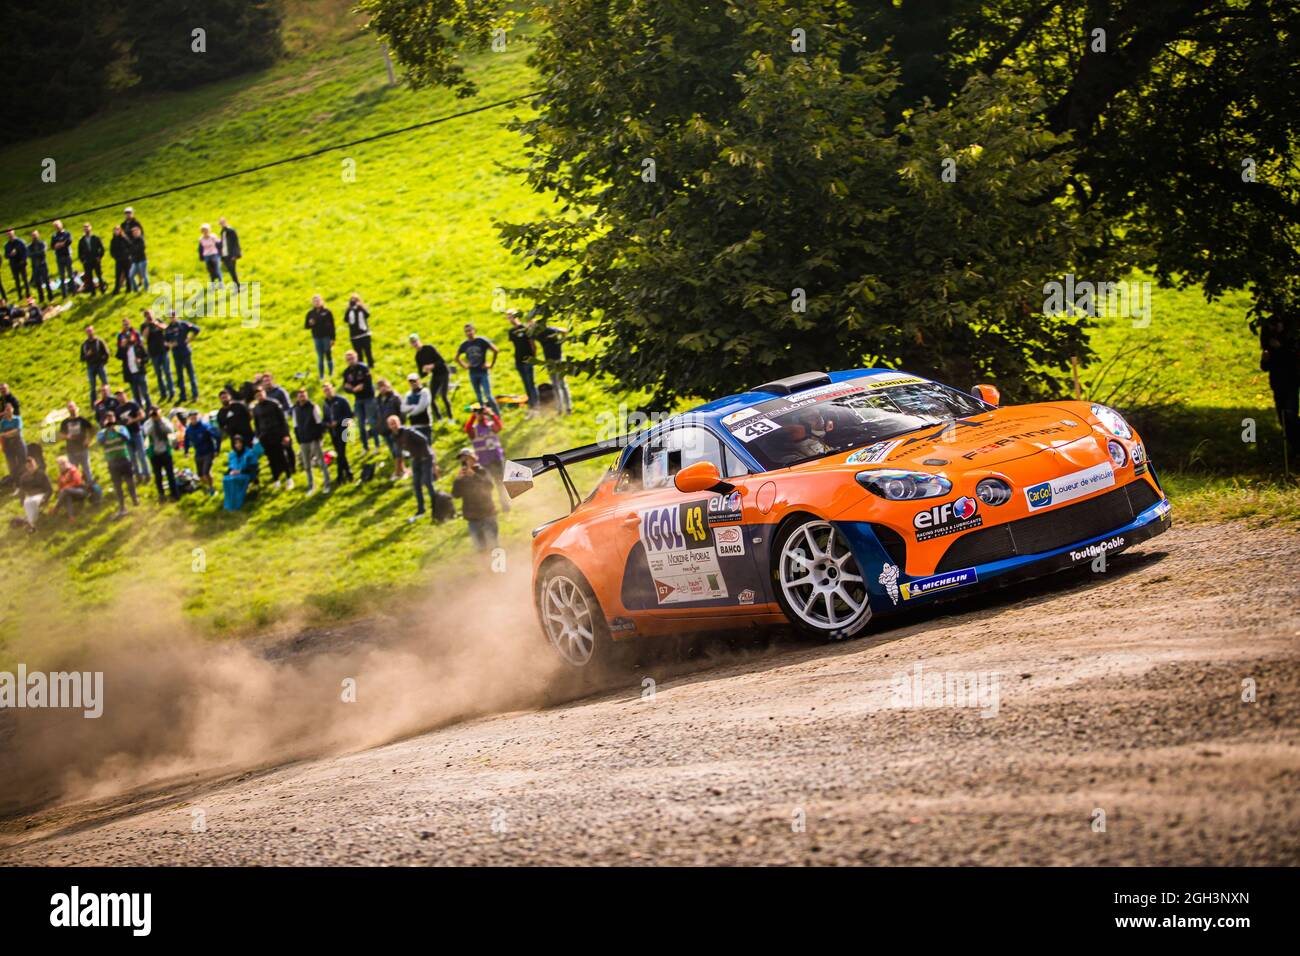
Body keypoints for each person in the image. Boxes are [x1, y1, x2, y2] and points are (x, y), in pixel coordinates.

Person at [386, 414, 438, 523]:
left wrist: (424, 455)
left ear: (399, 423)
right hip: (415, 459)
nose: (393, 425)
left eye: (394, 423)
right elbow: (401, 451)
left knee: (428, 482)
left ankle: (436, 507)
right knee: (416, 485)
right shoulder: (394, 437)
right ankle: (421, 510)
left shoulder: (408, 431)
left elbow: (424, 439)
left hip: (425, 457)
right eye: (391, 424)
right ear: (389, 426)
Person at [463, 404, 510, 511]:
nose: (481, 415)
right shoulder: (474, 429)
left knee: (500, 483)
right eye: (479, 413)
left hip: (496, 458)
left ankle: (505, 505)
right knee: (486, 485)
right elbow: (467, 429)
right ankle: (490, 507)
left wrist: (491, 414)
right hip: (484, 462)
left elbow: (500, 426)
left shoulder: (490, 425)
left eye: (481, 413)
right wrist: (473, 416)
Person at [451, 448, 499, 552]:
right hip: (472, 518)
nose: (464, 462)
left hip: (487, 514)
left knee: (494, 547)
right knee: (480, 549)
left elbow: (489, 486)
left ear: (473, 459)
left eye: (466, 459)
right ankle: (483, 562)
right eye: (462, 460)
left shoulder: (482, 471)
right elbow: (455, 495)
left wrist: (474, 475)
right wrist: (457, 480)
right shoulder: (461, 477)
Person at [96, 411, 138, 518]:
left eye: (111, 418)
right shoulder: (101, 433)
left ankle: (134, 498)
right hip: (112, 461)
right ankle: (122, 506)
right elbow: (100, 443)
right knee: (117, 484)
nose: (110, 420)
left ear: (114, 418)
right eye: (107, 418)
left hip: (124, 458)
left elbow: (126, 439)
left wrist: (116, 430)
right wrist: (107, 430)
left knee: (129, 479)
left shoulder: (121, 428)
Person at [252, 386, 295, 489]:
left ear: (264, 393)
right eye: (257, 395)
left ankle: (289, 478)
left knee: (282, 457)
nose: (260, 397)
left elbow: (283, 420)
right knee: (271, 460)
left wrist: (285, 435)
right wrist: (258, 436)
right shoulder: (256, 409)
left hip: (277, 435)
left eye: (261, 394)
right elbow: (256, 424)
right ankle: (276, 479)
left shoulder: (274, 403)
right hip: (265, 438)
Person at [291, 389, 331, 495]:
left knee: (321, 462)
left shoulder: (313, 407)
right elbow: (295, 426)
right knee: (307, 465)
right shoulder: (295, 409)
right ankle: (311, 486)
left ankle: (327, 484)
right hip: (303, 440)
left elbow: (319, 423)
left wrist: (319, 438)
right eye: (300, 396)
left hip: (314, 439)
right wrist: (299, 439)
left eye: (304, 395)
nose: (302, 397)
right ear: (297, 397)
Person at [532, 313, 573, 414]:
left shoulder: (542, 333)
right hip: (554, 359)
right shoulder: (550, 330)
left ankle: (564, 408)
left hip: (554, 360)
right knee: (560, 384)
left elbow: (530, 335)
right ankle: (564, 408)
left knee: (558, 385)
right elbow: (565, 331)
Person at [454, 324, 500, 414]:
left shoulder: (481, 341)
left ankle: (497, 416)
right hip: (472, 373)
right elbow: (456, 358)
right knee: (479, 397)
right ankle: (483, 417)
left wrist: (491, 364)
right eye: (466, 331)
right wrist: (465, 366)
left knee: (488, 395)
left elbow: (495, 350)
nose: (469, 333)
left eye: (470, 330)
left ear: (474, 331)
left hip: (483, 372)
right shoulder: (464, 345)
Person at [341, 350, 377, 454]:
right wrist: (352, 389)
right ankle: (365, 447)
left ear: (356, 357)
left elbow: (368, 383)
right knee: (360, 424)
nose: (350, 361)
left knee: (372, 422)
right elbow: (345, 386)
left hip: (368, 397)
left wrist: (362, 387)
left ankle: (377, 444)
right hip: (358, 399)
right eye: (348, 359)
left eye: (352, 358)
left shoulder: (363, 368)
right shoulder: (346, 372)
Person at [410, 333, 452, 421]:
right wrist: (425, 372)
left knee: (443, 395)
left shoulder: (429, 348)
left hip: (444, 372)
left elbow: (442, 361)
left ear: (419, 341)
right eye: (413, 343)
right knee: (431, 398)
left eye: (416, 341)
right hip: (435, 375)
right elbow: (421, 374)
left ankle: (450, 417)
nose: (415, 344)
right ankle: (439, 419)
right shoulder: (417, 357)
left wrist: (432, 366)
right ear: (411, 345)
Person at [142, 406, 179, 501]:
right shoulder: (147, 423)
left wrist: (160, 421)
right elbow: (147, 432)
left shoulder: (164, 420)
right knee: (158, 475)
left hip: (165, 451)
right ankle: (161, 494)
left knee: (170, 474)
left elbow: (170, 430)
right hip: (154, 453)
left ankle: (174, 494)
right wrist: (153, 422)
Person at [321, 382, 354, 484]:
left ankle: (340, 475)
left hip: (343, 430)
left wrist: (338, 422)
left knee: (341, 452)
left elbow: (349, 415)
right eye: (325, 390)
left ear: (333, 389)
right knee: (340, 453)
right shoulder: (325, 404)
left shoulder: (342, 400)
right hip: (333, 432)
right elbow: (325, 418)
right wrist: (327, 424)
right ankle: (348, 473)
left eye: (329, 389)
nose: (327, 392)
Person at [164, 311, 201, 402]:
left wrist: (189, 339)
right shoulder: (168, 329)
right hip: (176, 353)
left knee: (190, 373)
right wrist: (170, 344)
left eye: (174, 316)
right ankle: (182, 395)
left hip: (185, 351)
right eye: (171, 316)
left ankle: (195, 394)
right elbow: (165, 341)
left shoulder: (183, 324)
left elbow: (197, 329)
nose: (172, 318)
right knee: (180, 375)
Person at [506, 309, 539, 410]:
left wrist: (533, 358)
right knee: (526, 384)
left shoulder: (525, 329)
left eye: (511, 316)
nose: (510, 319)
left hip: (528, 360)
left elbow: (533, 345)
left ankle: (537, 405)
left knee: (531, 383)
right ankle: (531, 406)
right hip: (518, 361)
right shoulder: (511, 332)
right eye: (508, 317)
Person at [113, 388, 149, 480]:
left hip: (136, 432)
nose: (120, 397)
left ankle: (147, 474)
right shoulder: (117, 410)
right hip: (126, 436)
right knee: (132, 458)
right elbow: (117, 423)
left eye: (121, 394)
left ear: (125, 394)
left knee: (141, 455)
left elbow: (142, 415)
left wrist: (133, 420)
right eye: (118, 396)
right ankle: (138, 476)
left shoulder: (132, 404)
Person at [58, 401, 98, 484]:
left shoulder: (82, 420)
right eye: (69, 407)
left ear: (76, 407)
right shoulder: (65, 422)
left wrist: (88, 439)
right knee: (73, 471)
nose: (71, 409)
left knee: (87, 469)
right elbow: (60, 435)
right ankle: (77, 486)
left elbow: (92, 430)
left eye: (72, 406)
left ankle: (91, 486)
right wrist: (67, 436)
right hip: (71, 450)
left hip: (83, 448)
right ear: (67, 409)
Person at [184, 410, 221, 496]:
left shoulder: (205, 427)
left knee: (206, 472)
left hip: (208, 452)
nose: (193, 420)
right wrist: (186, 451)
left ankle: (212, 488)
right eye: (191, 418)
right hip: (198, 453)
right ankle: (206, 488)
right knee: (200, 474)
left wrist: (217, 450)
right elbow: (186, 440)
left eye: (195, 417)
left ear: (198, 417)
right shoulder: (189, 429)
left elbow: (217, 436)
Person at [116, 318, 151, 408]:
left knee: (145, 392)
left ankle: (149, 408)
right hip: (130, 373)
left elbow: (146, 357)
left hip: (140, 371)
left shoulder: (138, 346)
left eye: (127, 324)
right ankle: (140, 410)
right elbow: (118, 356)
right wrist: (122, 347)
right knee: (136, 395)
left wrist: (140, 361)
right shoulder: (122, 339)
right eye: (124, 325)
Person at [222, 434, 263, 511]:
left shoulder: (250, 453)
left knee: (235, 480)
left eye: (239, 443)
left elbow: (252, 468)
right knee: (226, 479)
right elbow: (231, 467)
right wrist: (229, 472)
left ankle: (237, 502)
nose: (238, 445)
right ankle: (230, 502)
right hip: (235, 474)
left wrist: (240, 471)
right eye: (236, 443)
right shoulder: (232, 454)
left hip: (246, 474)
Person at [141, 310, 174, 403]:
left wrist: (156, 323)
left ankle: (171, 391)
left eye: (150, 315)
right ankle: (163, 393)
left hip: (163, 351)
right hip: (153, 353)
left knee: (167, 372)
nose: (149, 317)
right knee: (159, 375)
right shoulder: (143, 326)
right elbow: (144, 336)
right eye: (147, 316)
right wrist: (148, 325)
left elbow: (165, 328)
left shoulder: (158, 320)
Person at [375, 378, 405, 479]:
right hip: (384, 429)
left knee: (397, 451)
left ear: (388, 386)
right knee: (393, 451)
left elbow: (402, 412)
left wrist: (399, 426)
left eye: (384, 386)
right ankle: (402, 470)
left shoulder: (395, 397)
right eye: (380, 387)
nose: (382, 389)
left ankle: (398, 472)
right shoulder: (378, 400)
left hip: (395, 429)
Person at [16, 456, 52, 531]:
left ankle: (30, 523)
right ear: (26, 467)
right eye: (29, 466)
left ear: (35, 464)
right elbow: (22, 490)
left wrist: (45, 498)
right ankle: (31, 523)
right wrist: (22, 500)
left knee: (32, 502)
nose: (31, 467)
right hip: (30, 496)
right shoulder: (24, 477)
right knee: (26, 502)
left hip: (41, 494)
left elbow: (49, 489)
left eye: (32, 465)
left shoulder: (41, 474)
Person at [305, 295, 336, 378]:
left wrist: (333, 338)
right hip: (317, 337)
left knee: (328, 353)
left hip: (327, 336)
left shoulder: (327, 312)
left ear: (322, 301)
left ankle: (331, 373)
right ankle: (321, 375)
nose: (317, 302)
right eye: (315, 301)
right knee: (320, 356)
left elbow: (332, 326)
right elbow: (306, 326)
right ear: (312, 303)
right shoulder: (310, 313)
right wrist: (310, 323)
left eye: (318, 301)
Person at [78, 326, 111, 406]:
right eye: (88, 331)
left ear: (93, 331)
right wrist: (87, 355)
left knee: (105, 383)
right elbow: (81, 358)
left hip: (100, 365)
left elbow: (107, 353)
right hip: (90, 367)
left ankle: (109, 400)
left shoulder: (99, 341)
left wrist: (103, 362)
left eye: (90, 331)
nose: (89, 333)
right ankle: (94, 404)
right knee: (93, 387)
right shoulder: (84, 344)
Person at [400, 372, 433, 443]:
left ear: (418, 380)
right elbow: (403, 408)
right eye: (411, 382)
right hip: (414, 424)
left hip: (425, 424)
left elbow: (421, 408)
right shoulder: (408, 394)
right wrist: (413, 406)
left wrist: (410, 412)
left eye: (414, 381)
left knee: (427, 445)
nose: (413, 383)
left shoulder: (424, 392)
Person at [343, 295, 374, 366]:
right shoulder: (349, 310)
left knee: (368, 352)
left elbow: (367, 315)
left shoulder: (362, 308)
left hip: (365, 334)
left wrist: (361, 307)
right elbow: (345, 319)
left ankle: (371, 366)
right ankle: (361, 367)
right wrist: (349, 309)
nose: (354, 302)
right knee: (358, 354)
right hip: (355, 336)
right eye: (352, 300)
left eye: (355, 300)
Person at [55, 456, 89, 520]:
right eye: (60, 464)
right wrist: (62, 488)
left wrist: (66, 487)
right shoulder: (61, 474)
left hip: (80, 491)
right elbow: (60, 486)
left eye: (63, 463)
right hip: (69, 493)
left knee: (65, 490)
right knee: (67, 496)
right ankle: (71, 517)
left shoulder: (73, 470)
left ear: (66, 462)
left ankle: (56, 508)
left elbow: (78, 482)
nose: (61, 466)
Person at [0, 401, 25, 484]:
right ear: (5, 411)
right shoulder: (2, 422)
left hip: (18, 443)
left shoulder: (17, 419)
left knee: (22, 461)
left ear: (13, 409)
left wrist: (6, 434)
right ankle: (16, 483)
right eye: (7, 410)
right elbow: (1, 435)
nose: (9, 411)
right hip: (8, 445)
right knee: (12, 465)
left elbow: (18, 431)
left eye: (10, 409)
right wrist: (11, 433)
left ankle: (24, 481)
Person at [77, 223, 105, 296]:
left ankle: (102, 289)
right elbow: (79, 252)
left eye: (87, 227)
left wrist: (99, 257)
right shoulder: (82, 240)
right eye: (85, 227)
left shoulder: (96, 238)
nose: (86, 229)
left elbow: (102, 248)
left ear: (90, 228)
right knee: (89, 277)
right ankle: (93, 292)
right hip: (87, 261)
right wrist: (83, 260)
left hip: (96, 260)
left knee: (99, 275)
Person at [50, 220, 75, 298]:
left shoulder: (67, 233)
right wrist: (62, 243)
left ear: (61, 225)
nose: (57, 227)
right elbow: (53, 246)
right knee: (62, 276)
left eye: (58, 225)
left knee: (70, 274)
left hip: (67, 256)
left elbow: (69, 242)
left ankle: (74, 291)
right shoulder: (54, 236)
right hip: (59, 257)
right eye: (55, 226)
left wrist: (59, 244)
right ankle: (64, 294)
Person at [196, 223, 223, 287]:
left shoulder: (213, 237)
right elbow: (200, 249)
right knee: (210, 271)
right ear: (202, 231)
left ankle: (221, 284)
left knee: (217, 270)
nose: (205, 232)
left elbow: (219, 244)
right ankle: (213, 285)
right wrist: (201, 257)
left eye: (206, 230)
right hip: (206, 256)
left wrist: (221, 254)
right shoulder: (201, 239)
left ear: (209, 230)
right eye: (203, 230)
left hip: (214, 254)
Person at [218, 217, 241, 290]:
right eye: (220, 223)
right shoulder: (222, 232)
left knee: (232, 271)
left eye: (223, 222)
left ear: (226, 222)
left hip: (231, 255)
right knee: (231, 271)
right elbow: (223, 244)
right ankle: (237, 286)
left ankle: (237, 286)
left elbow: (236, 242)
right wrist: (221, 256)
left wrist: (235, 254)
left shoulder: (231, 230)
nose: (222, 224)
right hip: (225, 255)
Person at [26, 230, 50, 304]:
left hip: (43, 265)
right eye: (33, 235)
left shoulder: (42, 243)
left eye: (35, 235)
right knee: (38, 284)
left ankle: (50, 297)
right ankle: (41, 299)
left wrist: (34, 254)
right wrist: (37, 253)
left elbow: (43, 252)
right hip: (35, 267)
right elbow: (28, 254)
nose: (34, 237)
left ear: (38, 235)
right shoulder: (29, 246)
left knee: (47, 282)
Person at [4, 229, 28, 298]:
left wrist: (23, 260)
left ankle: (28, 294)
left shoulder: (20, 242)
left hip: (21, 263)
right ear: (6, 235)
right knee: (17, 280)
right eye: (8, 234)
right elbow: (6, 256)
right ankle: (20, 295)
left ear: (13, 233)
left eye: (10, 233)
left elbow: (26, 252)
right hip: (13, 265)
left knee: (24, 279)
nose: (10, 235)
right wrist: (10, 254)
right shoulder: (6, 245)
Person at [109, 226, 132, 293]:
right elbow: (111, 251)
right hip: (118, 260)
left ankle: (129, 289)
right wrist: (115, 257)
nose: (116, 231)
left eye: (117, 230)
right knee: (118, 275)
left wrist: (128, 255)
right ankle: (116, 290)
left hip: (126, 260)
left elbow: (130, 246)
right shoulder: (113, 240)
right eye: (115, 230)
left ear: (120, 231)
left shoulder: (124, 238)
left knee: (127, 275)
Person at [127, 225, 148, 292]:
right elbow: (130, 250)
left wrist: (133, 251)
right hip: (135, 261)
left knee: (144, 275)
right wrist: (132, 251)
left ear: (139, 232)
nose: (135, 233)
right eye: (133, 232)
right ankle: (136, 289)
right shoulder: (132, 240)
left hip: (142, 260)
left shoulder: (141, 239)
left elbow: (140, 249)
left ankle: (146, 289)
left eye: (136, 232)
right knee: (131, 276)